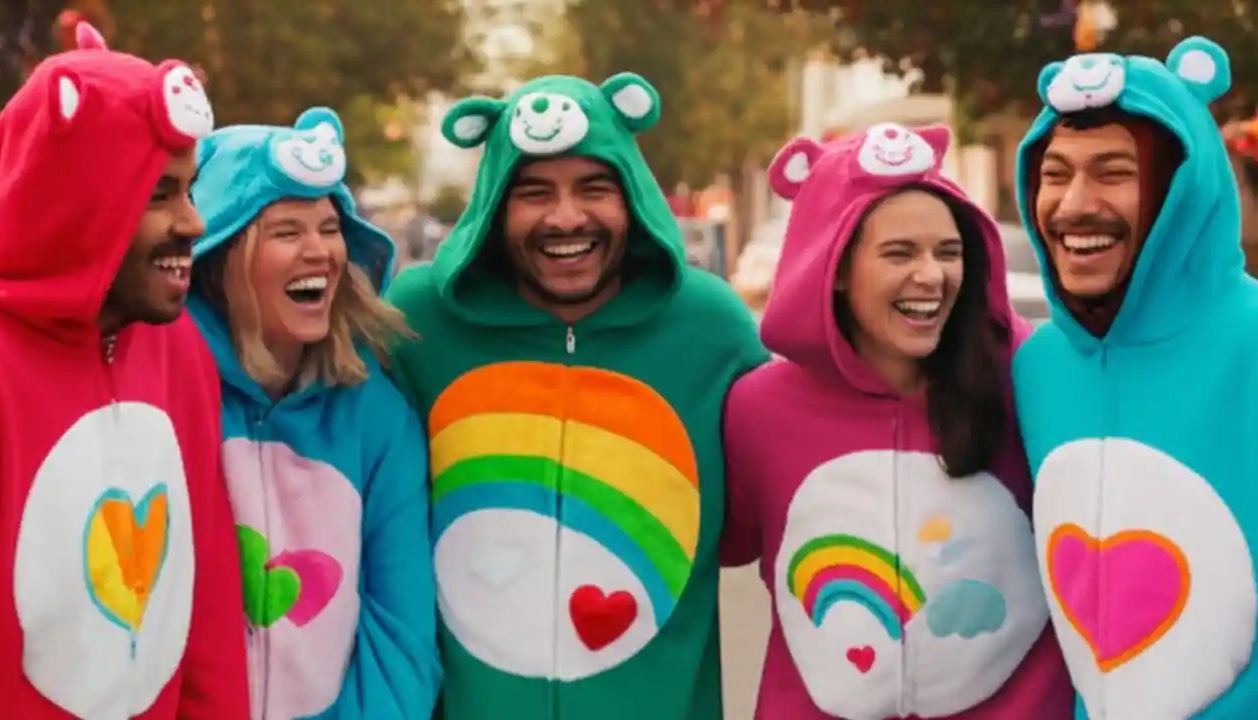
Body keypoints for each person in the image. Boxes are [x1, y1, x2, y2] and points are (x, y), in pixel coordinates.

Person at [386, 73, 769, 719]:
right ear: (494, 208)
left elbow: (770, 503)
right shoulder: (418, 321)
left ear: (635, 200)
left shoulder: (711, 328)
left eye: (595, 187)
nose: (566, 216)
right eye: (534, 192)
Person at [721, 122, 1073, 720]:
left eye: (949, 251)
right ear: (834, 267)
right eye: (899, 253)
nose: (932, 276)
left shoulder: (1031, 378)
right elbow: (725, 546)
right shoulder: (757, 408)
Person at [0, 22, 248, 719]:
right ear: (76, 205)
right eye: (159, 194)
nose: (193, 222)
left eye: (190, 190)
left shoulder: (180, 345)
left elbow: (207, 588)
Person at [1013, 37, 1258, 719]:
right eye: (1055, 174)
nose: (1073, 205)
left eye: (1112, 171)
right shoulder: (1035, 368)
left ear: (1182, 187)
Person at [188, 107, 442, 719]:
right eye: (286, 231)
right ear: (224, 254)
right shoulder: (171, 395)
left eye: (329, 228)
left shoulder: (377, 417)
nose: (321, 252)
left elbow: (402, 640)